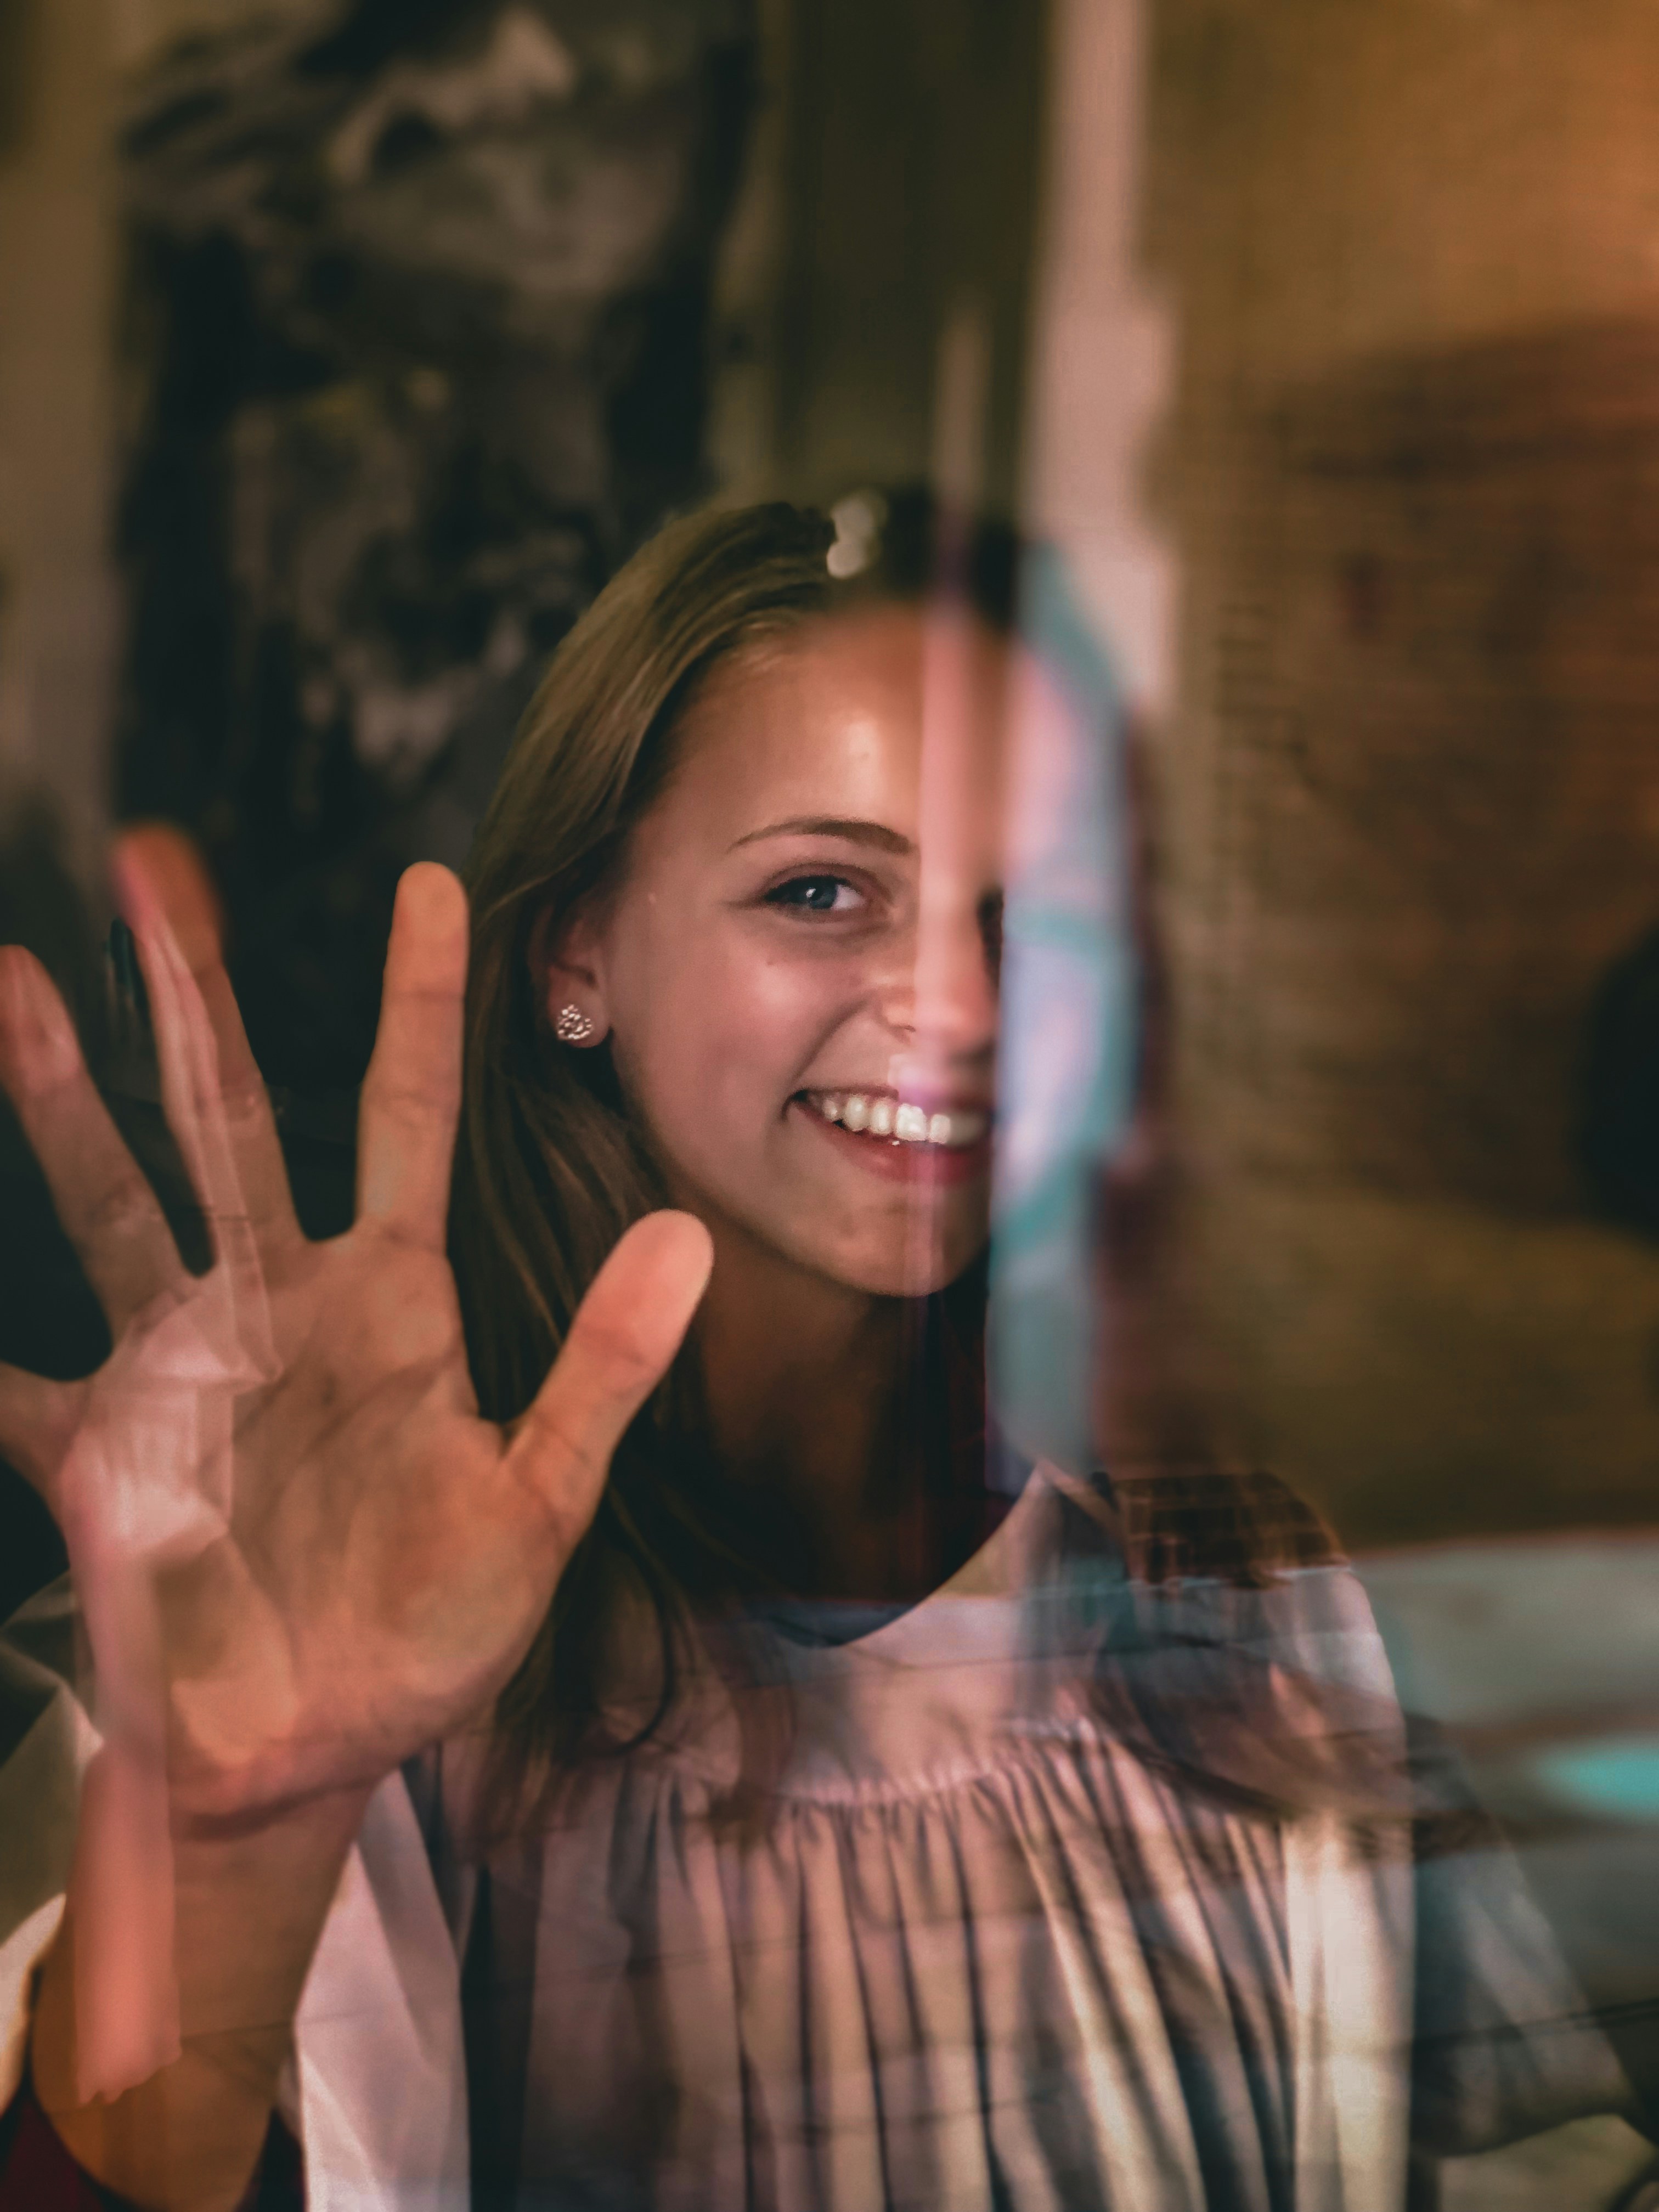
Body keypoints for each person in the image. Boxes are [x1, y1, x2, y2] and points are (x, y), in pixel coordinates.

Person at [0, 495, 1645, 2211]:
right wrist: (235, 1840)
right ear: (580, 951)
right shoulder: (301, 1615)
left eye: (1040, 906)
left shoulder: (1235, 1589)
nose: (969, 1007)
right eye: (821, 890)